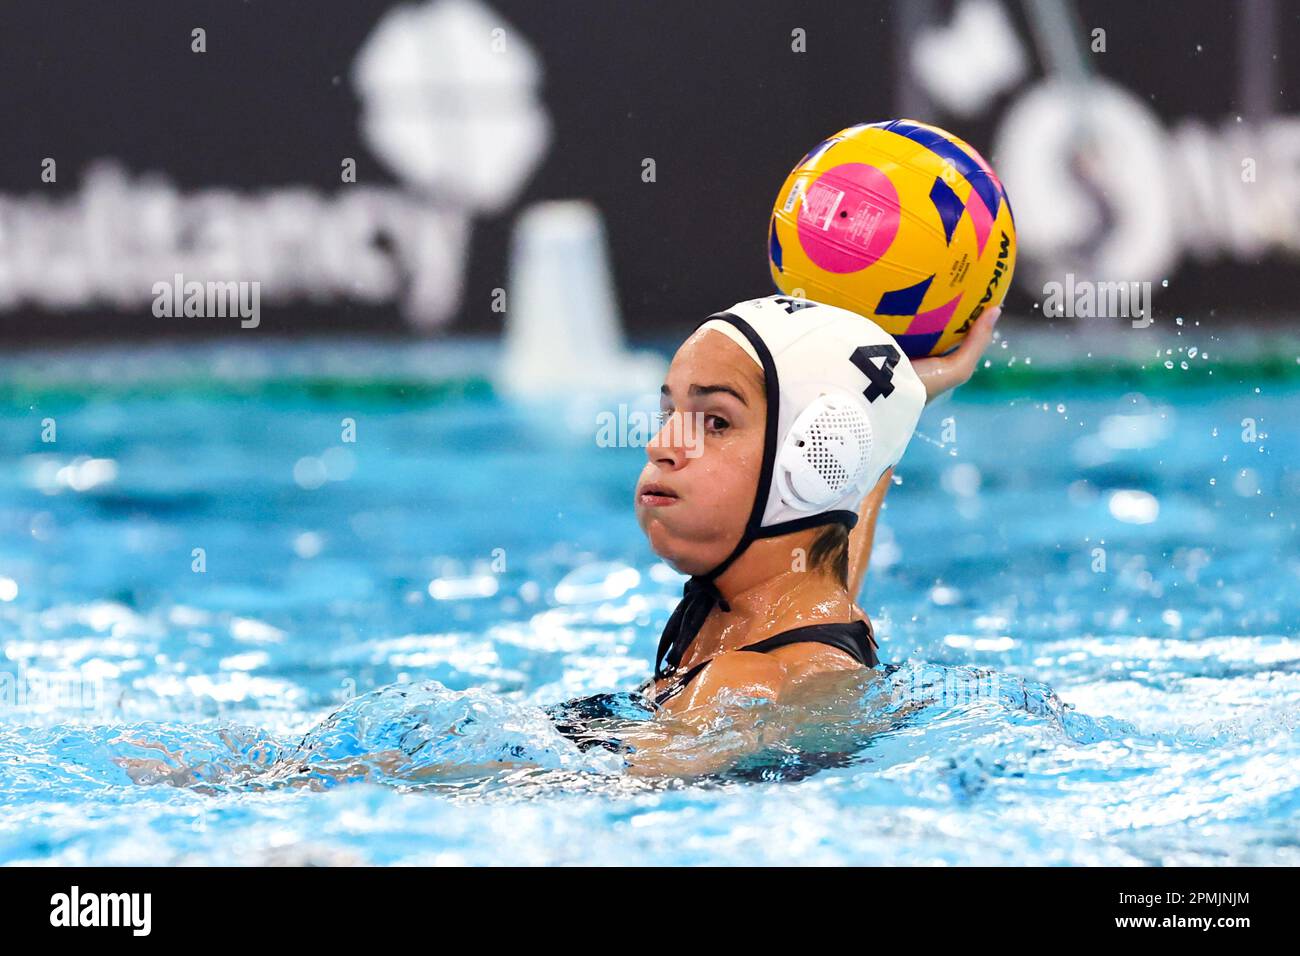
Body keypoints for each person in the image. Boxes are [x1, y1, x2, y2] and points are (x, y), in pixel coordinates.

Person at [548, 294, 1001, 776]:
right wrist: (904, 395)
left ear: (814, 457)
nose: (660, 445)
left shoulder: (745, 684)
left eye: (716, 422)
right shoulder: (812, 616)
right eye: (668, 415)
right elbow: (840, 504)